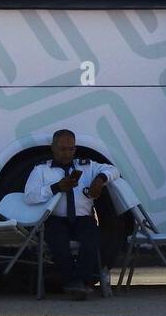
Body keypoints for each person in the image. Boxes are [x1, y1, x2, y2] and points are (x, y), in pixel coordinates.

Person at [24, 128, 120, 300]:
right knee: (59, 244)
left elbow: (114, 170)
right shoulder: (41, 170)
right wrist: (55, 188)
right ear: (53, 148)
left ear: (75, 149)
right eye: (62, 148)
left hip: (83, 218)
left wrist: (100, 180)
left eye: (70, 149)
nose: (66, 153)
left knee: (92, 239)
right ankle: (78, 283)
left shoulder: (87, 165)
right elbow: (30, 196)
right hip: (55, 219)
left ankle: (76, 283)